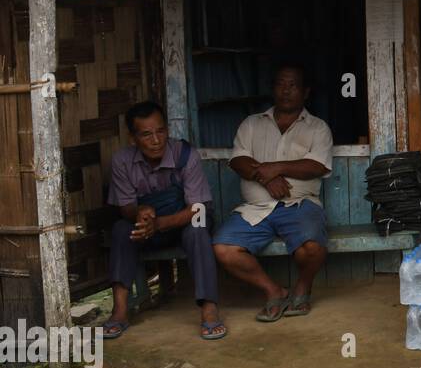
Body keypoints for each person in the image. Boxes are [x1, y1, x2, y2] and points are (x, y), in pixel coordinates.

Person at [212, 63, 333, 322]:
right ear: (272, 89)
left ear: (306, 92)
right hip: (256, 209)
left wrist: (276, 168)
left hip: (300, 205)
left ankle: (302, 287)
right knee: (223, 248)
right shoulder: (252, 124)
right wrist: (264, 177)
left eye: (293, 85)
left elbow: (317, 165)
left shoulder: (317, 127)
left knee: (311, 248)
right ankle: (274, 291)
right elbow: (238, 160)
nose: (286, 90)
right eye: (280, 84)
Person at [105, 101, 224, 340]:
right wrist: (140, 212)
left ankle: (209, 309)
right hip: (148, 227)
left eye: (160, 131)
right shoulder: (122, 161)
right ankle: (119, 311)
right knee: (120, 229)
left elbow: (198, 207)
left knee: (199, 227)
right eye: (146, 134)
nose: (156, 140)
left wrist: (158, 224)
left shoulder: (185, 154)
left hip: (184, 222)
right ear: (133, 138)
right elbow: (125, 207)